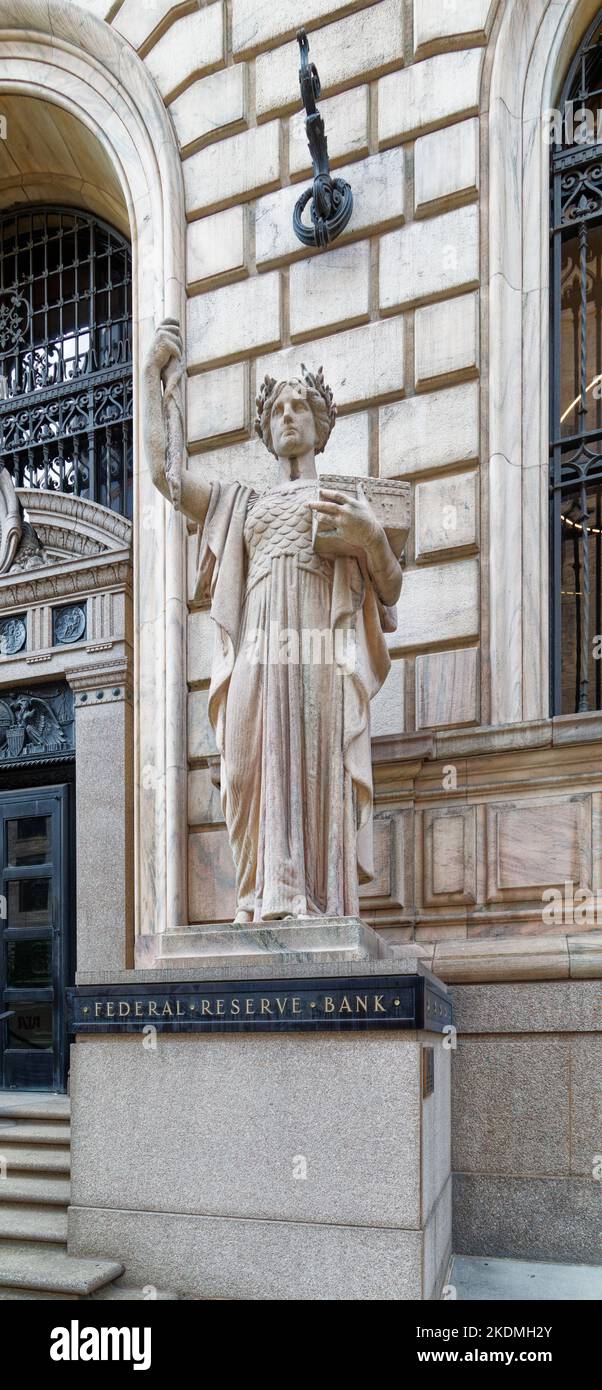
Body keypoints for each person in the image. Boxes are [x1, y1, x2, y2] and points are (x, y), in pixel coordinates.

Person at [144, 319, 403, 923]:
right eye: (277, 409)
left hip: (314, 646)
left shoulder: (346, 498)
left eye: (299, 406)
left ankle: (310, 898)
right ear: (265, 429)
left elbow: (390, 590)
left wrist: (371, 539)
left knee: (317, 772)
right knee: (243, 768)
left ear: (319, 424)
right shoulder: (242, 502)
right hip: (257, 645)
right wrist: (153, 378)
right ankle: (258, 895)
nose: (288, 415)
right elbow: (166, 477)